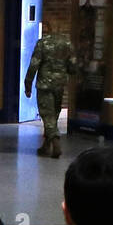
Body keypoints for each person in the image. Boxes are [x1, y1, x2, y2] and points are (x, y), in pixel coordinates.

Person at [24, 28, 82, 158]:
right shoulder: (67, 43)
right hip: (60, 84)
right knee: (54, 114)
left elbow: (34, 65)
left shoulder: (42, 43)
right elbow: (73, 65)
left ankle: (56, 143)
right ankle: (46, 146)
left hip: (45, 84)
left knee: (47, 115)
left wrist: (28, 84)